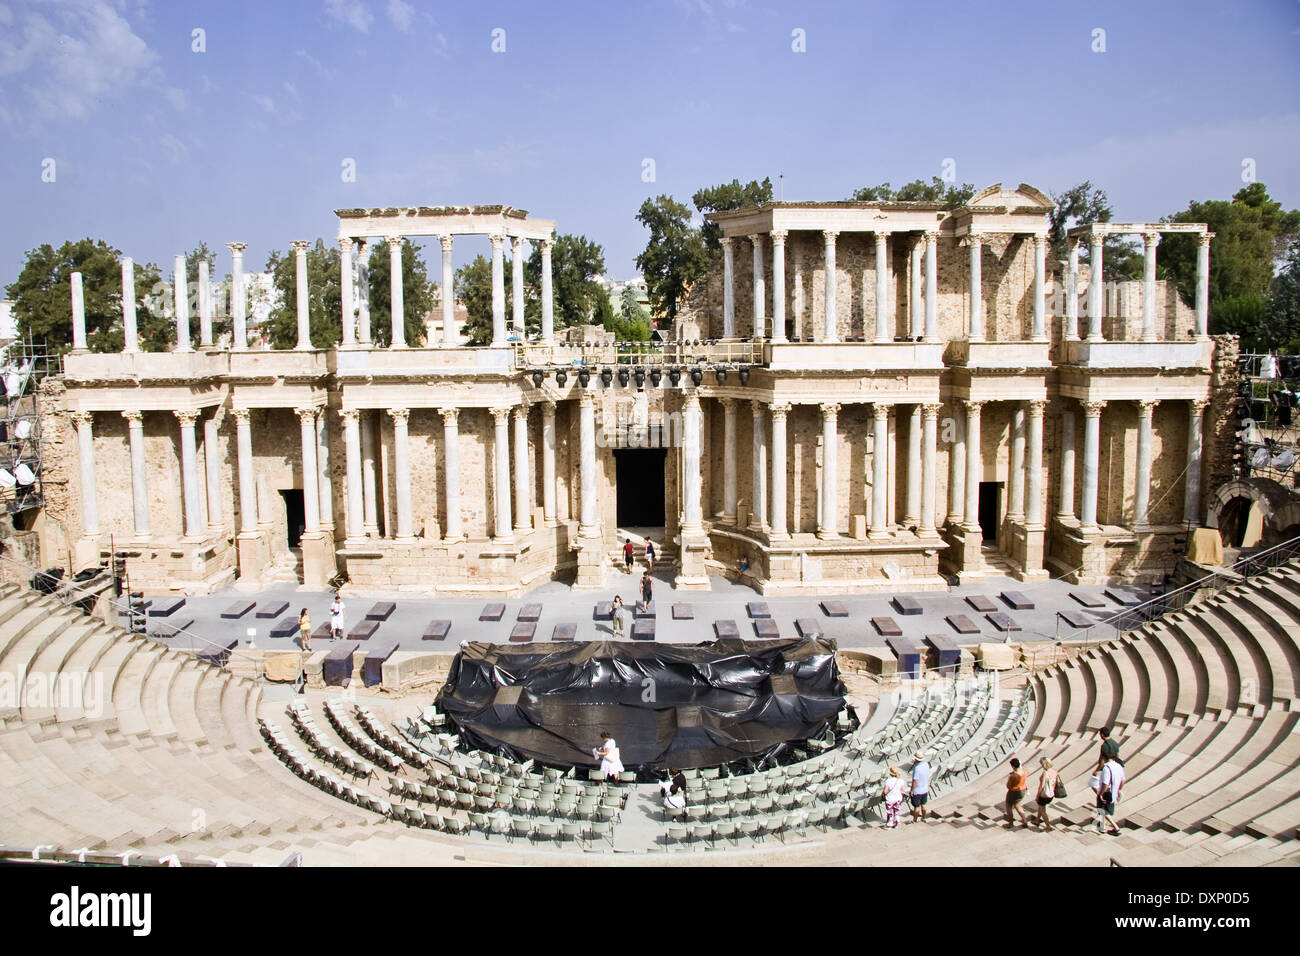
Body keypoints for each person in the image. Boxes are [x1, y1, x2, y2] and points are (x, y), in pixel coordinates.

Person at [1094, 755, 1126, 835]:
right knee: (1103, 810)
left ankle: (1116, 828)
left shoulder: (1106, 768)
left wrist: (1101, 794)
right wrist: (1118, 789)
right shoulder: (1119, 767)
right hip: (1113, 791)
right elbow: (1123, 780)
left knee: (1102, 809)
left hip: (1106, 792)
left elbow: (1105, 783)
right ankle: (1103, 827)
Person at [1004, 757, 1029, 827]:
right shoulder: (1024, 771)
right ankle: (1024, 820)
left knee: (1008, 805)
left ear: (1013, 766)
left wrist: (1010, 777)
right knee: (1017, 804)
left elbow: (1008, 786)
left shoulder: (1013, 776)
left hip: (1014, 791)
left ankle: (1011, 823)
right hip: (1023, 790)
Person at [1035, 756, 1059, 830]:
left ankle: (1048, 826)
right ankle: (1037, 820)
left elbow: (1041, 786)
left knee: (1043, 811)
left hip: (1044, 795)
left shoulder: (1045, 773)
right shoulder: (1055, 771)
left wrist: (1037, 796)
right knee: (1041, 807)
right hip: (1051, 794)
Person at [909, 751, 932, 822]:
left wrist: (911, 790)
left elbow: (915, 781)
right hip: (925, 788)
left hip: (917, 790)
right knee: (923, 804)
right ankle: (924, 817)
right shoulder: (926, 764)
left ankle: (914, 820)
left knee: (916, 807)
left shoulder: (917, 768)